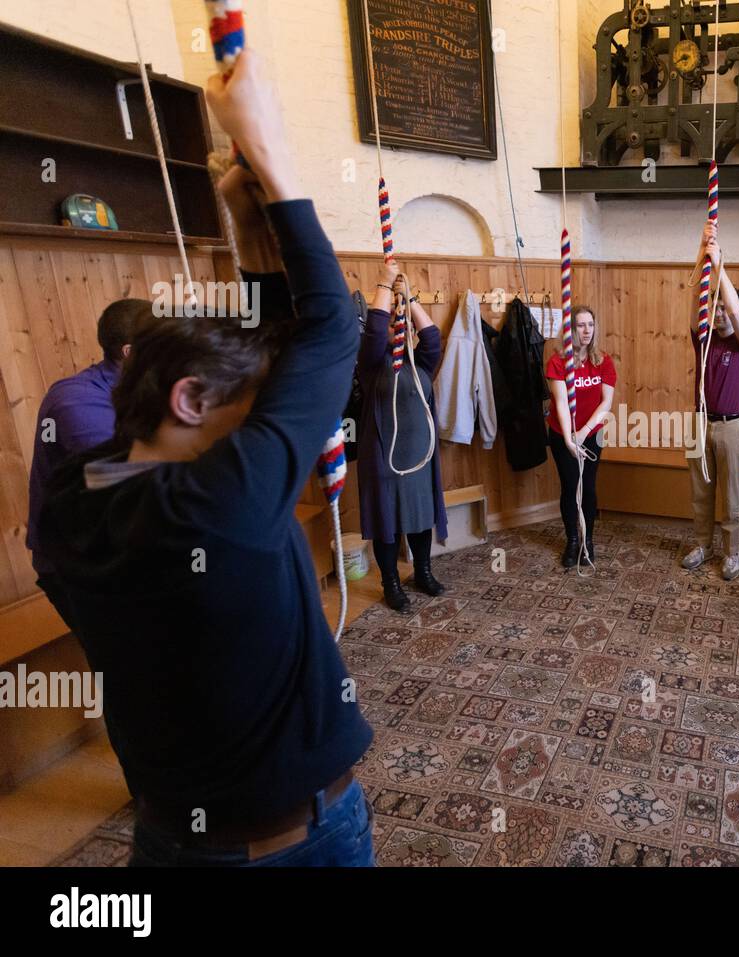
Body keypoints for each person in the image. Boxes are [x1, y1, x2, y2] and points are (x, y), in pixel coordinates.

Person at [37, 51, 373, 866]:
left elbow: (275, 358)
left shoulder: (77, 504)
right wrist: (272, 149)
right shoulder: (220, 506)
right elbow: (332, 330)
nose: (268, 420)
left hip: (172, 842)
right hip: (297, 845)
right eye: (250, 408)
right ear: (189, 400)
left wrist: (251, 239)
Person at [26, 298, 152, 625]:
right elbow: (131, 479)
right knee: (132, 669)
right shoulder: (75, 400)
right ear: (129, 352)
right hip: (76, 566)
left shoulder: (145, 388)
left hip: (122, 549)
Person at [356, 264, 446, 611]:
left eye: (404, 325)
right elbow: (375, 331)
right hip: (382, 457)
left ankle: (422, 572)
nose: (400, 329)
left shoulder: (422, 363)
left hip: (419, 455)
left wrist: (408, 299)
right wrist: (383, 282)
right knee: (387, 523)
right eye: (396, 325)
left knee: (421, 517)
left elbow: (433, 335)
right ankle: (390, 583)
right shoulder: (371, 365)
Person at [681, 221, 739, 581]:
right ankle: (702, 544)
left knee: (731, 495)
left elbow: (737, 313)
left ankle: (731, 552)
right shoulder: (704, 339)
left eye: (726, 307)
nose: (721, 312)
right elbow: (692, 295)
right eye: (717, 308)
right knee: (701, 491)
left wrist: (720, 262)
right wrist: (702, 253)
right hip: (700, 421)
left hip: (731, 426)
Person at [546, 305, 616, 566]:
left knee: (588, 487)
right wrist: (568, 438)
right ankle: (572, 539)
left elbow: (606, 403)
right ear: (570, 329)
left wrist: (584, 432)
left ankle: (588, 540)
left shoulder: (603, 361)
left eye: (590, 324)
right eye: (580, 325)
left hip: (592, 434)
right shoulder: (558, 362)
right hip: (562, 433)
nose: (587, 330)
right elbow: (562, 403)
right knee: (570, 486)